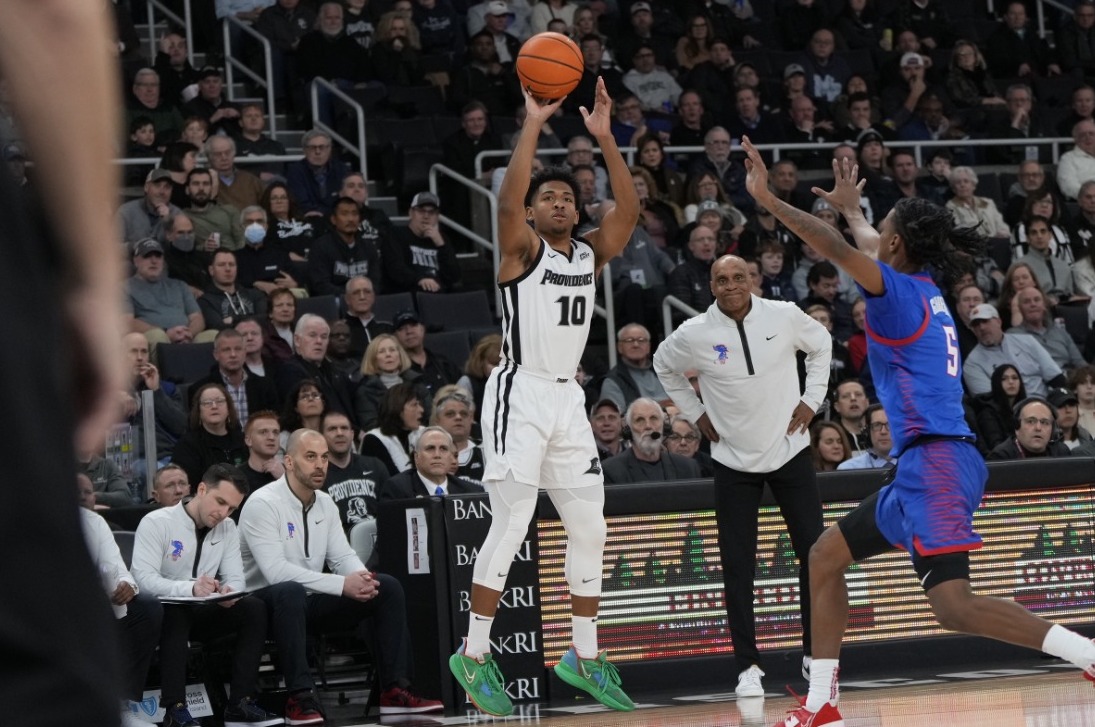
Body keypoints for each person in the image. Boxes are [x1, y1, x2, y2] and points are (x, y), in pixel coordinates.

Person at [740, 136, 1095, 727]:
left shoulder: (897, 294)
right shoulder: (924, 290)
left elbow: (828, 245)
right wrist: (855, 210)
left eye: (882, 225)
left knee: (953, 607)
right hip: (922, 464)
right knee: (825, 555)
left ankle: (1087, 652)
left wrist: (768, 199)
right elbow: (874, 246)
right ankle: (823, 700)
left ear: (898, 243)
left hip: (935, 464)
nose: (875, 233)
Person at [449, 77, 639, 717]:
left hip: (569, 402)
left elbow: (630, 213)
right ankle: (473, 656)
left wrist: (608, 140)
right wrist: (531, 123)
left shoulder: (587, 255)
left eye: (568, 196)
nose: (560, 201)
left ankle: (583, 656)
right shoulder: (519, 251)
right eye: (547, 196)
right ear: (531, 213)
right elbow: (505, 203)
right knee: (513, 522)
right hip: (519, 393)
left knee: (591, 527)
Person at [654, 251, 831, 697]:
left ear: (751, 279)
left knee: (814, 557)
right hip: (732, 460)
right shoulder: (694, 332)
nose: (731, 285)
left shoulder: (785, 315)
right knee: (737, 566)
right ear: (711, 287)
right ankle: (748, 667)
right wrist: (694, 412)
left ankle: (815, 654)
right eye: (721, 279)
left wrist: (812, 400)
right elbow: (663, 365)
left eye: (739, 276)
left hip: (790, 451)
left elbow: (822, 345)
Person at [239, 429, 444, 718]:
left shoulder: (325, 502)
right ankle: (300, 697)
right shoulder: (263, 503)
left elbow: (342, 556)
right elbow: (276, 572)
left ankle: (395, 690)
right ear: (288, 461)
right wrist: (341, 584)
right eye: (310, 457)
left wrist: (362, 580)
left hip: (309, 598)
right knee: (290, 590)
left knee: (386, 587)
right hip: (264, 604)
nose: (320, 464)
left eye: (323, 457)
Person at [131, 463, 283, 727]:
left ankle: (240, 703)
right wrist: (190, 588)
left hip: (203, 611)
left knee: (254, 608)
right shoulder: (156, 522)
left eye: (232, 508)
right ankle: (175, 709)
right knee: (177, 610)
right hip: (163, 614)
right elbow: (142, 581)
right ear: (202, 489)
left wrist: (228, 592)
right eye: (220, 502)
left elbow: (236, 577)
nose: (223, 513)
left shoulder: (228, 528)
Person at [79, 492, 163, 727]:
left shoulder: (93, 521)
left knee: (146, 609)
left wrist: (127, 586)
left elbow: (116, 568)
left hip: (91, 605)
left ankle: (121, 706)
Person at [126, 238, 216, 347]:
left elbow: (197, 318)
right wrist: (166, 332)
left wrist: (188, 333)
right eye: (147, 256)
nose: (154, 261)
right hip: (154, 336)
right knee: (157, 336)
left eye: (158, 256)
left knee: (214, 336)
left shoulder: (179, 285)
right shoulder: (124, 287)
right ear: (136, 261)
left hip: (187, 338)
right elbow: (128, 322)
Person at [963, 302, 1066, 397]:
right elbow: (988, 402)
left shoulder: (1027, 341)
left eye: (985, 321)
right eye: (976, 325)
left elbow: (1056, 378)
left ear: (999, 322)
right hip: (1010, 412)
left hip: (1044, 403)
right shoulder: (972, 363)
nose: (981, 328)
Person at [192, 328, 280, 428]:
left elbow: (274, 422)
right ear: (216, 355)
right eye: (226, 350)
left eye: (238, 349)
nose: (233, 355)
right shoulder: (200, 389)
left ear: (245, 352)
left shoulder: (265, 385)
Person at [601, 398, 701, 485]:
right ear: (628, 429)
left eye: (654, 418)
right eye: (640, 420)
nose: (648, 426)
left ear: (664, 426)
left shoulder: (688, 468)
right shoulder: (610, 470)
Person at [382, 192, 462, 295]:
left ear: (437, 217)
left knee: (477, 290)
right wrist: (419, 280)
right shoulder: (395, 234)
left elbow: (454, 276)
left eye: (431, 212)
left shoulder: (442, 239)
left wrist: (441, 245)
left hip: (439, 295)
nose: (426, 216)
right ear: (410, 213)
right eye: (421, 211)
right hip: (409, 292)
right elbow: (396, 269)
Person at [379, 425, 483, 498]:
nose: (437, 455)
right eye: (430, 448)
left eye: (443, 449)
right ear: (416, 457)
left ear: (451, 457)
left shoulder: (471, 492)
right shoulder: (397, 490)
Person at [308, 196, 383, 297]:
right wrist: (352, 295)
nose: (351, 219)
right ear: (333, 219)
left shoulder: (369, 247)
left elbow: (375, 283)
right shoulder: (320, 247)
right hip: (334, 304)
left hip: (364, 300)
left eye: (354, 214)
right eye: (344, 214)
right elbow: (321, 286)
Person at [987, 396, 1072, 459]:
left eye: (1045, 422)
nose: (1038, 428)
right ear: (1017, 426)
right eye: (1031, 421)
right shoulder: (1001, 456)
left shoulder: (1061, 452)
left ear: (1052, 429)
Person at [117, 169, 182, 246]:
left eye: (167, 187)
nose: (162, 192)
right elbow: (111, 247)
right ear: (146, 187)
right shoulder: (126, 211)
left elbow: (183, 248)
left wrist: (169, 223)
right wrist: (136, 247)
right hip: (133, 257)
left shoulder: (178, 214)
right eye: (157, 185)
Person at [836, 404, 895, 470]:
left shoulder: (909, 467)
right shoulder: (848, 469)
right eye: (877, 425)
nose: (883, 431)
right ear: (867, 432)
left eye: (889, 425)